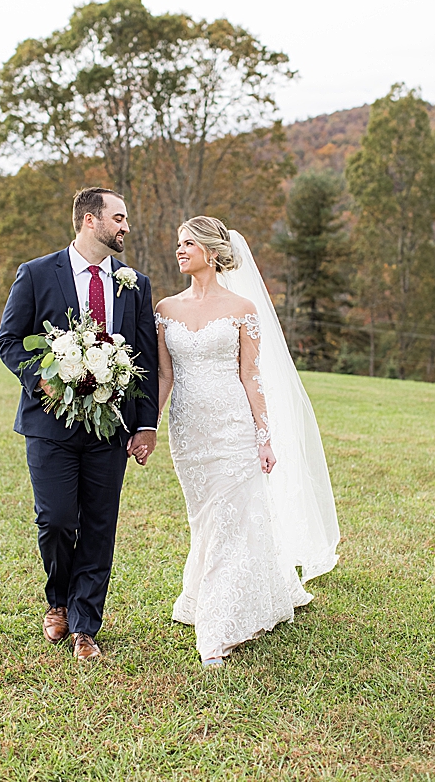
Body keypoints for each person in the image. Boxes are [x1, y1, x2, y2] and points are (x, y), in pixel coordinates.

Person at [155, 216, 339, 667]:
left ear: (212, 253)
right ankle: (205, 595)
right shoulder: (165, 308)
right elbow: (164, 374)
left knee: (232, 521)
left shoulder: (242, 308)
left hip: (234, 428)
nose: (179, 251)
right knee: (206, 520)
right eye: (178, 244)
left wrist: (263, 437)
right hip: (189, 432)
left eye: (187, 244)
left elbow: (251, 378)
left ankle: (220, 627)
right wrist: (147, 427)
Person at [0, 187, 159, 661]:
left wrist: (145, 425)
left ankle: (85, 625)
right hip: (50, 424)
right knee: (55, 519)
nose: (126, 226)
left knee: (100, 525)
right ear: (90, 221)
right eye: (119, 218)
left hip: (112, 425)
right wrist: (42, 382)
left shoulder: (136, 283)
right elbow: (9, 341)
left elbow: (145, 354)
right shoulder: (36, 273)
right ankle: (58, 600)